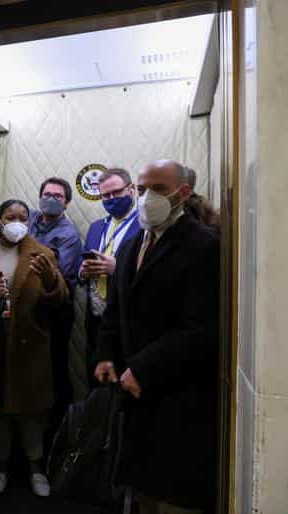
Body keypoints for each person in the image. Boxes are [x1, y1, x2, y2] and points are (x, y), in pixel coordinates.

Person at [94, 160, 220, 514]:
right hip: (134, 391)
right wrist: (106, 353)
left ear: (183, 192)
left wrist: (143, 368)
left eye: (159, 189)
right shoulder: (134, 242)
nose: (148, 197)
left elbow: (201, 329)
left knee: (172, 493)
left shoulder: (203, 246)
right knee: (141, 489)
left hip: (176, 393)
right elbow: (116, 308)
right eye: (144, 188)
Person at [0, 199, 68, 498]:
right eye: (10, 216)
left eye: (23, 217)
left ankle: (36, 468)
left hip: (29, 342)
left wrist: (50, 279)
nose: (17, 221)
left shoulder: (41, 254)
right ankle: (0, 467)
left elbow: (59, 301)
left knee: (31, 412)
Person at [27, 177, 82, 466]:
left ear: (66, 203)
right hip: (28, 306)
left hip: (57, 307)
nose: (51, 199)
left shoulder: (68, 234)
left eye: (58, 196)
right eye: (46, 194)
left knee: (56, 372)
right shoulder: (30, 220)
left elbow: (55, 272)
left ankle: (56, 444)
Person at [79, 168, 141, 386]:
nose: (111, 199)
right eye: (106, 196)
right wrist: (83, 271)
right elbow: (81, 265)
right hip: (96, 318)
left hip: (129, 319)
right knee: (95, 383)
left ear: (131, 189)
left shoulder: (145, 225)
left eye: (116, 192)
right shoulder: (96, 227)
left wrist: (118, 268)